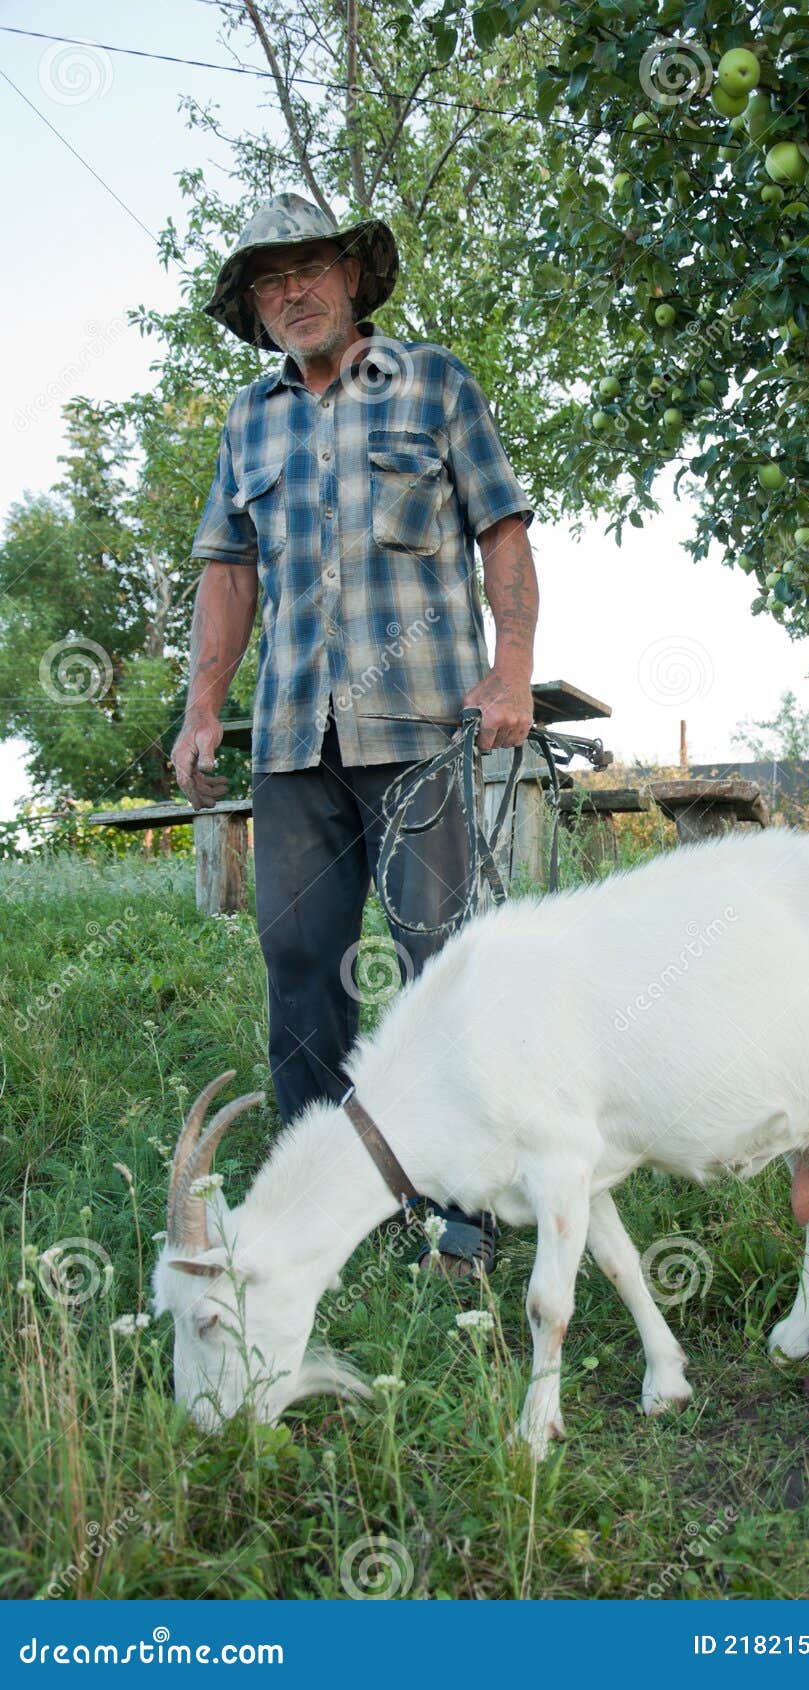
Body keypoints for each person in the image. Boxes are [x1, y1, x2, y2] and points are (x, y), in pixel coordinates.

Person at [172, 192, 538, 1278]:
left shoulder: (434, 383)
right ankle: (318, 1195)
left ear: (351, 273)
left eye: (308, 269)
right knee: (296, 962)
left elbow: (503, 534)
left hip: (423, 728)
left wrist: (509, 667)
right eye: (267, 281)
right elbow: (227, 572)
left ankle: (463, 1209)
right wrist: (202, 708)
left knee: (443, 964)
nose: (292, 292)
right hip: (293, 741)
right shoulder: (249, 420)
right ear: (253, 306)